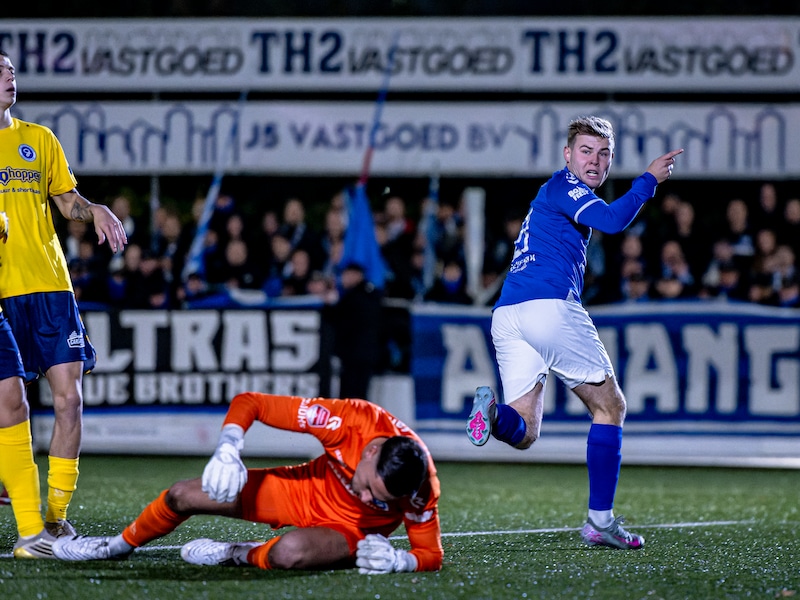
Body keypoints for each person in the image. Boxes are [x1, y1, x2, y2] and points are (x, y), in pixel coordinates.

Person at [465, 116, 682, 550]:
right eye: (586, 151)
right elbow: (615, 220)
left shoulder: (555, 193)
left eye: (604, 154)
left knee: (524, 430)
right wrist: (648, 180)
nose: (595, 161)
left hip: (508, 313)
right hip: (548, 307)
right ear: (568, 155)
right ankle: (600, 521)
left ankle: (491, 415)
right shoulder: (565, 187)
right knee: (611, 406)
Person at [51, 392, 443, 574]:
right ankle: (115, 547)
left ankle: (237, 553)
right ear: (372, 453)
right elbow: (251, 402)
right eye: (368, 487)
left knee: (288, 553)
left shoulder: (419, 483)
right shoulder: (349, 421)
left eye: (379, 500)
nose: (366, 496)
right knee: (182, 494)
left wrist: (403, 560)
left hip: (348, 532)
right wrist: (228, 449)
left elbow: (431, 553)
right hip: (303, 489)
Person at [0, 50, 128, 550]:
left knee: (69, 401)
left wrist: (92, 208)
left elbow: (66, 200)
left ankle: (52, 519)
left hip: (51, 288)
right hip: (3, 295)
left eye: (11, 69)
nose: (9, 76)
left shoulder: (39, 140)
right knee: (10, 403)